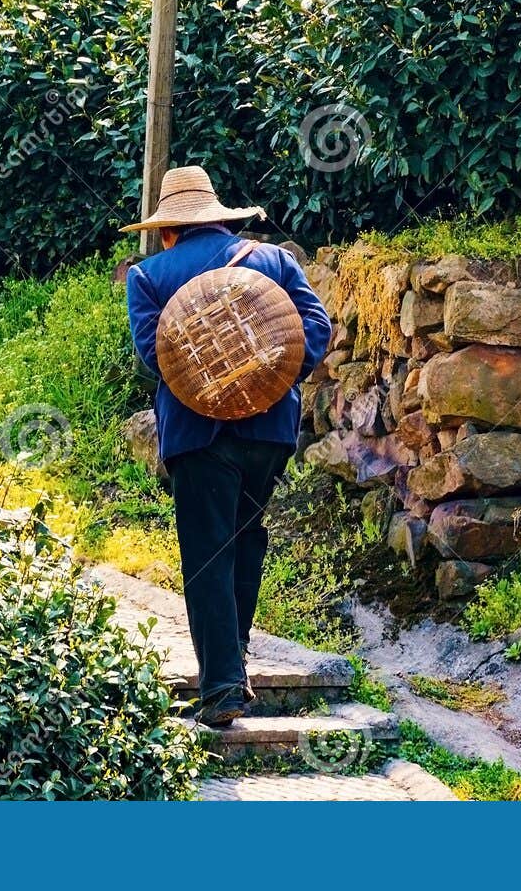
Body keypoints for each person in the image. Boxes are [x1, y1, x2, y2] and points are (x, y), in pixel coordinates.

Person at [122, 166, 331, 726]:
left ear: (168, 230)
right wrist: (269, 378)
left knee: (207, 553)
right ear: (219, 218)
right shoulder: (274, 261)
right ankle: (233, 665)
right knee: (245, 539)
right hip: (268, 431)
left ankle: (221, 690)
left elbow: (155, 356)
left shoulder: (148, 277)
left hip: (198, 435)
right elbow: (316, 329)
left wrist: (213, 381)